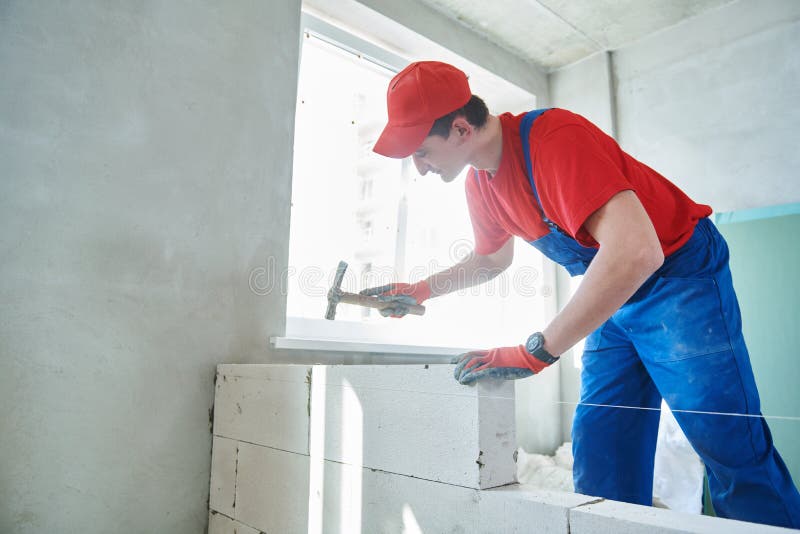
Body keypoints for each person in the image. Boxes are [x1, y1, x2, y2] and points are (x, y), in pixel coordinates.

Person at [360, 60, 800, 528]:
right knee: (602, 451)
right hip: (615, 293)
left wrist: (536, 352)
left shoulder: (554, 141)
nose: (420, 167)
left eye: (422, 152)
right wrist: (422, 290)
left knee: (726, 443)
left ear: (461, 128)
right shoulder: (480, 185)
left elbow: (636, 252)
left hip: (678, 279)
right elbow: (491, 260)